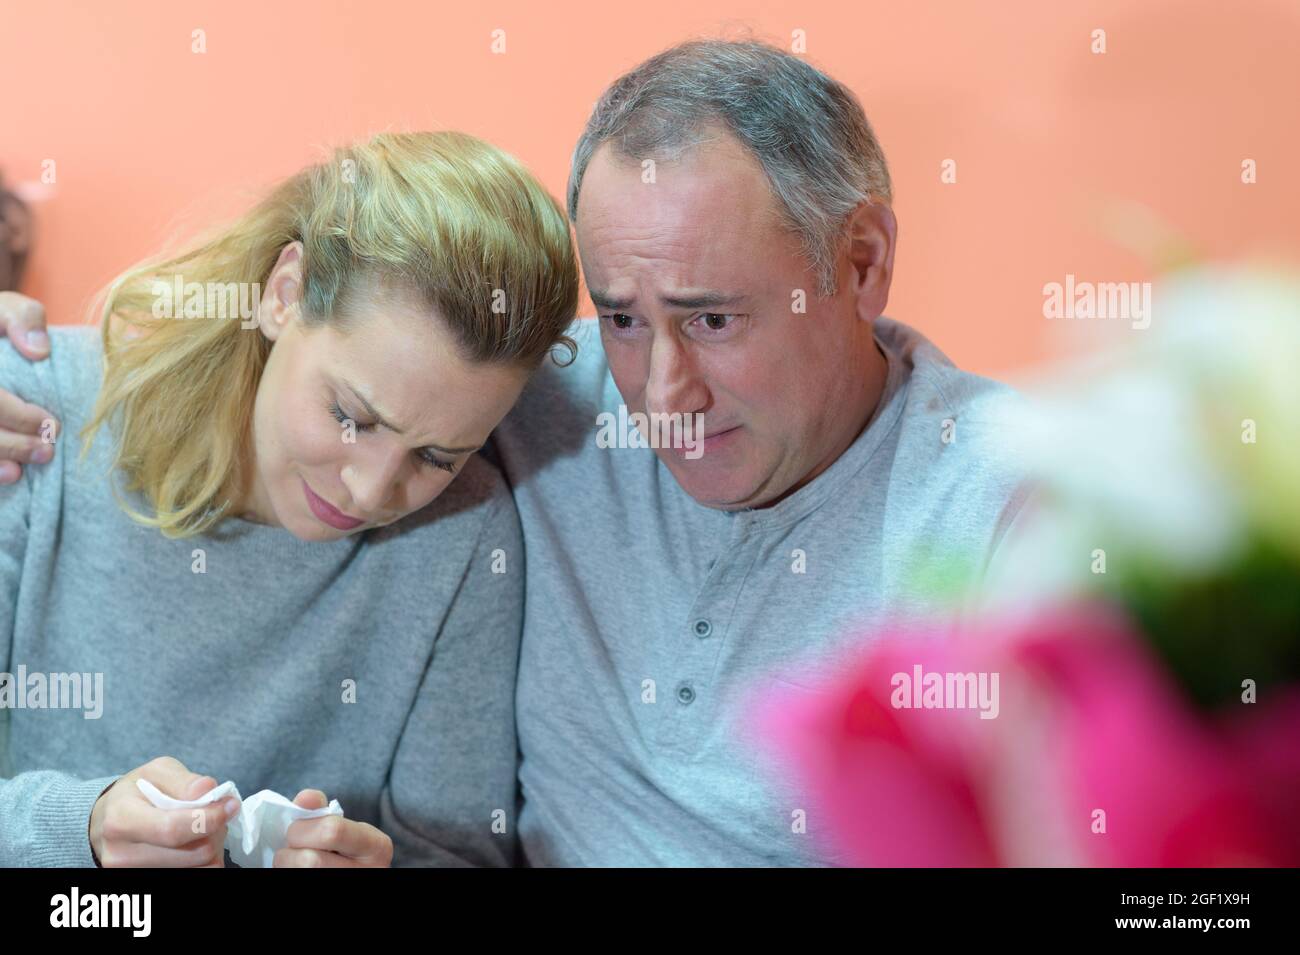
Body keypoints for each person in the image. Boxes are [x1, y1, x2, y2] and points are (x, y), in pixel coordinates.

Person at [2, 39, 1029, 866]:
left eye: (712, 319)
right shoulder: (526, 400)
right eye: (622, 319)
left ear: (861, 263)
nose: (661, 395)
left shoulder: (1021, 512)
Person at [0, 130, 579, 867]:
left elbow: (456, 851)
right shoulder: (34, 420)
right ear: (285, 293)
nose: (371, 490)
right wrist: (77, 828)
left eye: (436, 456)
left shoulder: (467, 533)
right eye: (352, 416)